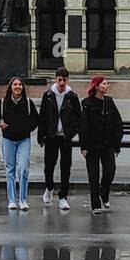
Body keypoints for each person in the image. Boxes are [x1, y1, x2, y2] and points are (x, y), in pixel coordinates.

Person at [0, 77, 39, 212]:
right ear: (11, 87)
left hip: (24, 140)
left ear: (23, 87)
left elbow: (35, 119)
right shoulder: (3, 102)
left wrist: (27, 128)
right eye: (15, 85)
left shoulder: (28, 103)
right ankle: (12, 199)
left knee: (23, 168)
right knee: (10, 169)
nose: (17, 87)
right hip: (8, 139)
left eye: (20, 85)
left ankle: (23, 199)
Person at [38, 65, 81, 211]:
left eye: (64, 80)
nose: (62, 83)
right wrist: (41, 136)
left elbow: (78, 116)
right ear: (55, 79)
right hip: (51, 136)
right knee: (49, 165)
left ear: (68, 80)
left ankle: (63, 197)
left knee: (65, 167)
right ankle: (49, 188)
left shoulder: (72, 96)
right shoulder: (48, 95)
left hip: (65, 137)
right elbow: (42, 116)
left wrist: (72, 132)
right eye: (59, 79)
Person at [80, 76, 124, 214]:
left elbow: (118, 123)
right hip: (92, 145)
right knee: (93, 176)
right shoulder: (87, 104)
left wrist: (116, 143)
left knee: (110, 170)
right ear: (97, 86)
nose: (107, 86)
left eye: (107, 84)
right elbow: (83, 126)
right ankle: (95, 204)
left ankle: (103, 193)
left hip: (107, 144)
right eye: (104, 84)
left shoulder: (109, 102)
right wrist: (84, 147)